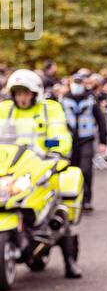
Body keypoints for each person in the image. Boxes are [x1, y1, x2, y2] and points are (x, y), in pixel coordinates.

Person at [0, 69, 81, 277]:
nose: (22, 98)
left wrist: (55, 150)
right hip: (10, 166)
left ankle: (70, 261)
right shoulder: (5, 109)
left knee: (58, 213)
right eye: (18, 93)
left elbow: (60, 135)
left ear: (35, 93)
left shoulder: (50, 109)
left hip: (41, 165)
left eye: (25, 93)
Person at [62, 69, 107, 211]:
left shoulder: (90, 99)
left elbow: (100, 120)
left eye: (80, 82)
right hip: (69, 141)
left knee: (86, 169)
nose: (77, 85)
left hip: (86, 139)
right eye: (75, 82)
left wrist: (103, 141)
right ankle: (71, 199)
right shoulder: (63, 99)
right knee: (70, 170)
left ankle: (86, 200)